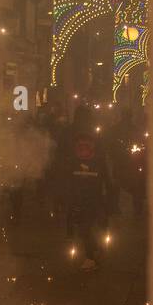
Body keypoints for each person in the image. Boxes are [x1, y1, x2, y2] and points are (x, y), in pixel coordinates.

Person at [61, 104, 113, 271]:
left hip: (78, 184)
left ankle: (91, 257)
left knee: (83, 224)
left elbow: (63, 154)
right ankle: (94, 249)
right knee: (87, 222)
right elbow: (103, 157)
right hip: (93, 185)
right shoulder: (96, 133)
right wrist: (109, 186)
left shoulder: (70, 132)